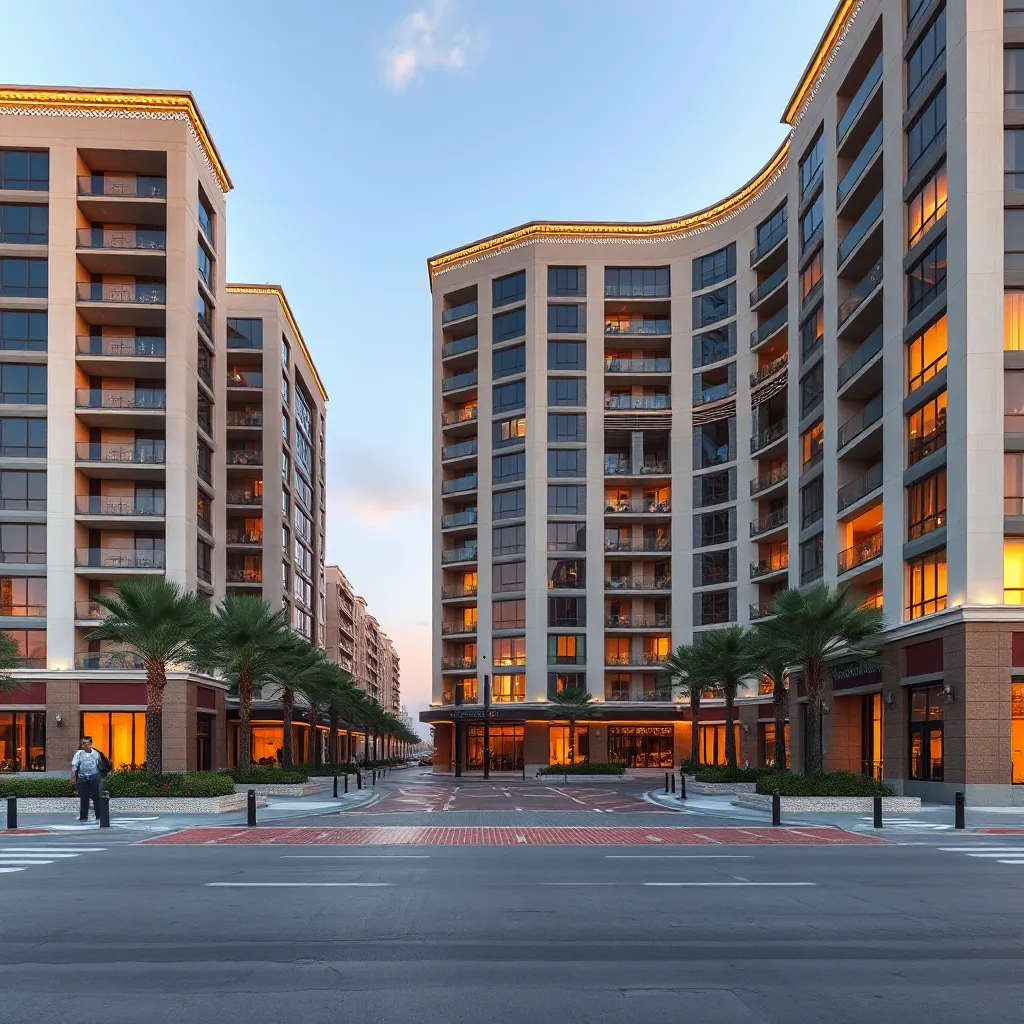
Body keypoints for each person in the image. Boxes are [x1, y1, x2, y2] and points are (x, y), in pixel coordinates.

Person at [71, 736, 104, 823]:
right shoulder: (78, 754)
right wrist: (73, 776)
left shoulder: (96, 754)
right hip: (82, 778)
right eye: (82, 743)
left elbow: (100, 765)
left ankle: (99, 815)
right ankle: (83, 817)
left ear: (90, 744)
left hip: (94, 776)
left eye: (85, 743)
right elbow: (75, 765)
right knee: (84, 798)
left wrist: (101, 775)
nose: (83, 745)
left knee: (96, 797)